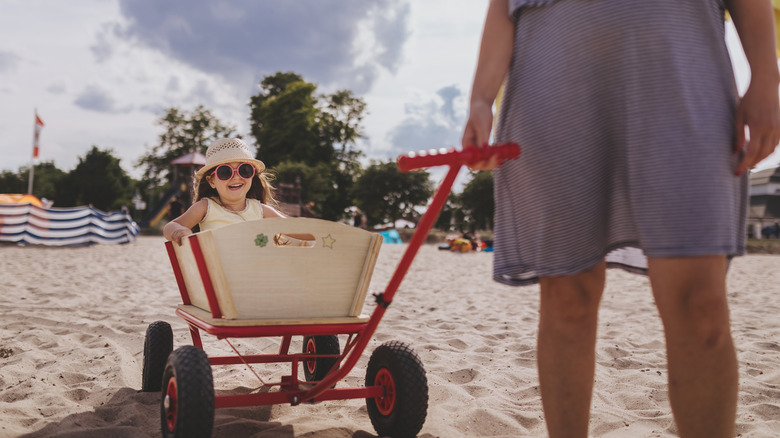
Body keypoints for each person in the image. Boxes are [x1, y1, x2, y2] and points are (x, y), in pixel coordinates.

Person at [461, 1, 780, 437]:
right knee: (567, 297)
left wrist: (765, 75)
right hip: (553, 81)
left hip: (683, 66)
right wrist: (481, 98)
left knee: (700, 305)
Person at [163, 138, 286, 244]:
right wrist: (179, 232)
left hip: (254, 270)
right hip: (218, 270)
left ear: (252, 176)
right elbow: (170, 226)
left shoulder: (260, 210)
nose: (236, 177)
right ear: (211, 181)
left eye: (244, 170)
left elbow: (295, 228)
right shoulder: (206, 207)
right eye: (225, 172)